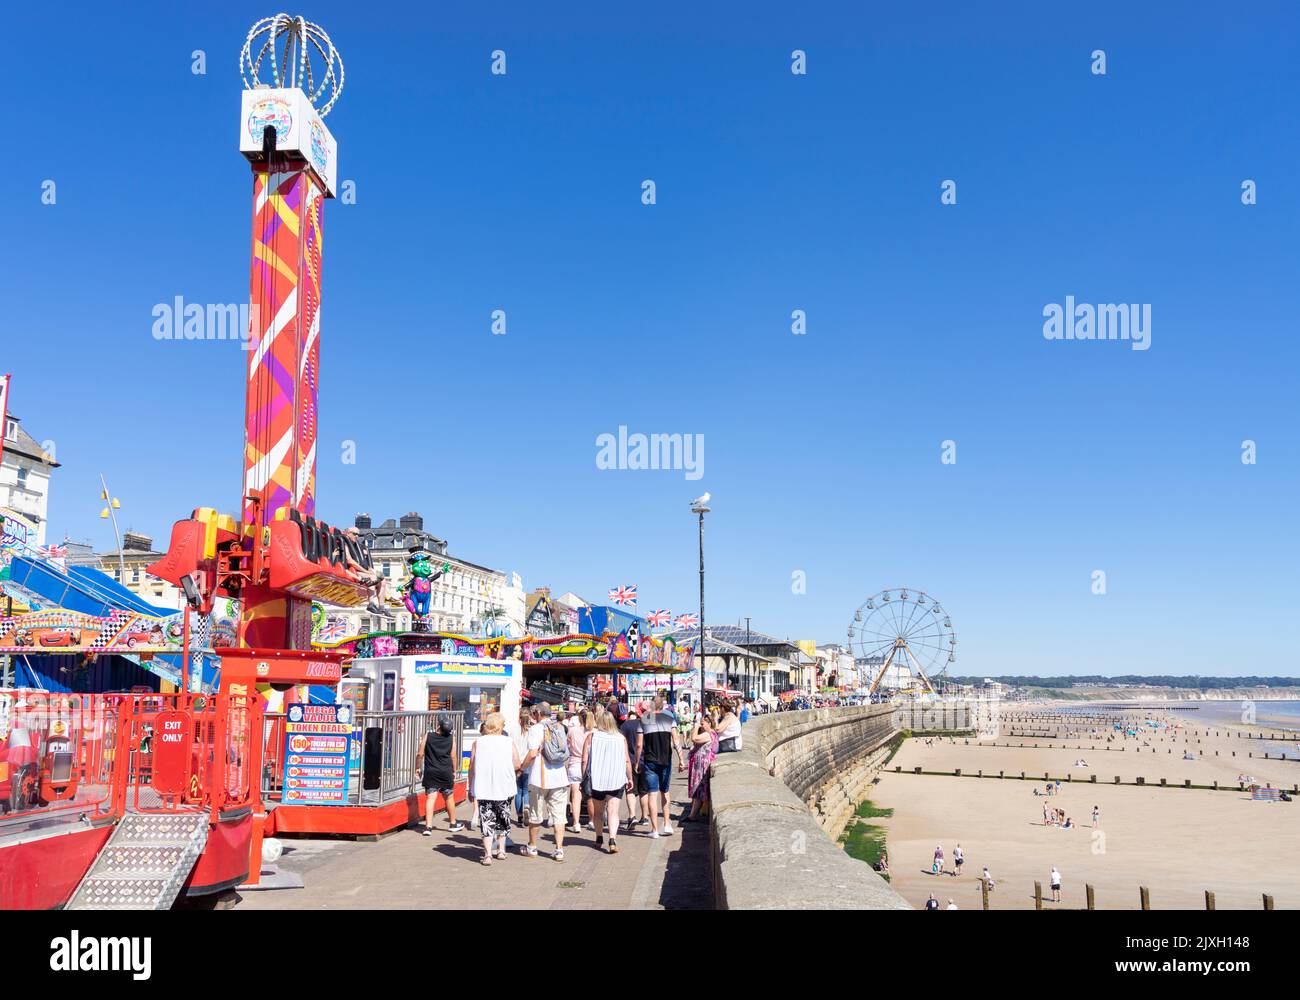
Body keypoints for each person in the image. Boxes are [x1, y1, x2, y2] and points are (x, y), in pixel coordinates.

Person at [468, 712, 521, 865]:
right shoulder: (508, 741)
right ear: (500, 726)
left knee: (486, 820)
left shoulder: (478, 742)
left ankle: (487, 855)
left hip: (483, 787)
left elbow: (472, 767)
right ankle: (502, 850)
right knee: (502, 818)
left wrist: (470, 787)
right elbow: (517, 764)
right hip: (504, 787)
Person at [519, 703, 570, 861]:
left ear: (539, 713)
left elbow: (533, 753)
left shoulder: (535, 729)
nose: (534, 715)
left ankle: (532, 847)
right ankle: (559, 849)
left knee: (535, 814)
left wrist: (521, 767)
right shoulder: (560, 727)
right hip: (560, 778)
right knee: (559, 816)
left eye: (535, 712)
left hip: (540, 779)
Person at [584, 709, 634, 854]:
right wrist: (630, 778)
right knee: (613, 811)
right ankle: (612, 839)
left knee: (599, 812)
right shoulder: (620, 738)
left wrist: (584, 777)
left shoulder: (592, 737)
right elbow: (626, 761)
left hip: (597, 779)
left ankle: (599, 837)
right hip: (616, 778)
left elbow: (585, 759)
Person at [636, 692, 685, 837]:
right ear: (662, 706)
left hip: (650, 761)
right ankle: (668, 824)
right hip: (666, 760)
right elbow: (676, 741)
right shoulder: (670, 718)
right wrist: (682, 759)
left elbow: (639, 745)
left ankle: (654, 830)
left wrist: (637, 762)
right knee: (665, 791)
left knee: (652, 793)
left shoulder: (645, 719)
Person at [417, 714, 463, 834]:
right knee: (448, 797)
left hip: (431, 772)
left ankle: (428, 827)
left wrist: (417, 767)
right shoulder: (451, 738)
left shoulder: (428, 735)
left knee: (431, 798)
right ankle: (453, 823)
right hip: (446, 772)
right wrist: (454, 770)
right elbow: (453, 756)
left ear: (438, 726)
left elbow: (420, 754)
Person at [681, 712, 719, 822]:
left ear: (709, 724)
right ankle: (692, 815)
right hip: (699, 764)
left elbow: (694, 738)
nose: (701, 726)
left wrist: (696, 727)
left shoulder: (708, 734)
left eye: (703, 724)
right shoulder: (709, 733)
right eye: (700, 724)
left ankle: (692, 816)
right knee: (698, 790)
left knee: (699, 789)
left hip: (702, 765)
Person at [566, 709, 594, 834]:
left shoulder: (572, 731)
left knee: (575, 796)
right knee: (590, 796)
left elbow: (568, 747)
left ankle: (576, 823)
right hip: (589, 765)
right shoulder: (593, 732)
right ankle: (592, 821)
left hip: (575, 763)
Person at [618, 704, 644, 832]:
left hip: (630, 760)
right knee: (644, 792)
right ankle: (644, 817)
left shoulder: (625, 725)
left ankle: (632, 815)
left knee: (630, 790)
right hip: (645, 761)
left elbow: (620, 740)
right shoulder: (645, 724)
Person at [512, 709, 532, 826]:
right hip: (527, 763)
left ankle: (519, 816)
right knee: (526, 789)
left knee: (518, 790)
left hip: (515, 763)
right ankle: (527, 806)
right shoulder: (531, 731)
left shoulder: (513, 730)